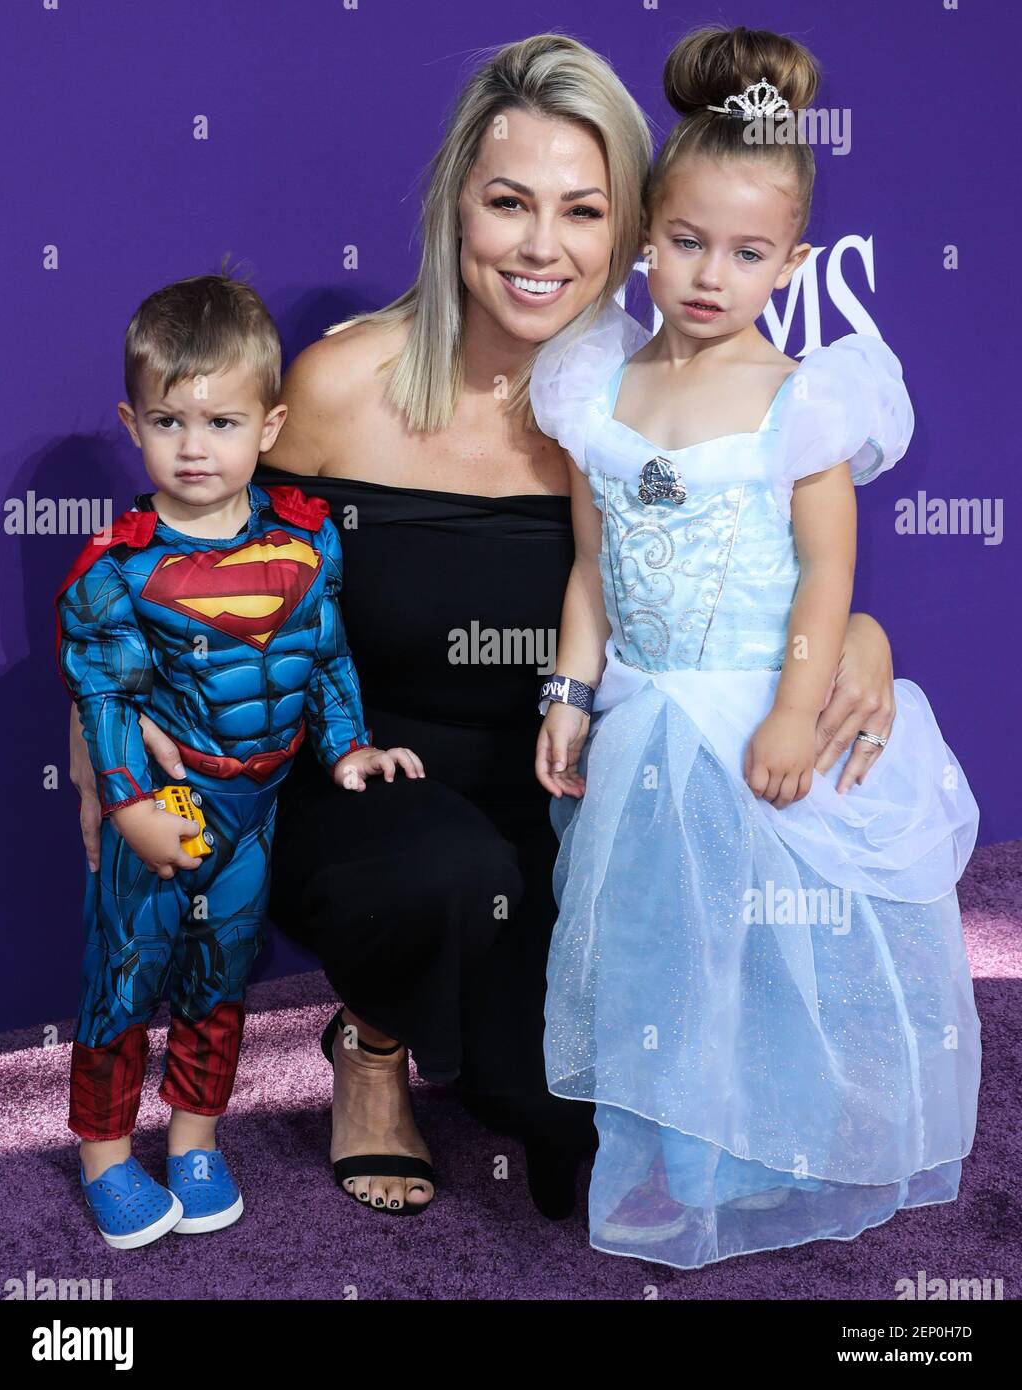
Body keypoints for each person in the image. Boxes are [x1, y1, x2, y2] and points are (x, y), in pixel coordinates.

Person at [69, 34, 902, 1223]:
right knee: (438, 875)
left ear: (632, 229)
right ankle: (370, 1043)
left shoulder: (639, 403)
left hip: (559, 792)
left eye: (581, 210)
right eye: (508, 201)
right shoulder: (343, 383)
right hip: (363, 787)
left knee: (564, 1126)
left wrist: (856, 635)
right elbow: (177, 531)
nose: (539, 246)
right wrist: (104, 724)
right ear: (456, 201)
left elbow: (754, 562)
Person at [530, 25, 982, 1268]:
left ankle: (760, 1148)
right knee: (655, 948)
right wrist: (568, 693)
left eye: (744, 253)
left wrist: (793, 708)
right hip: (640, 721)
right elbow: (592, 567)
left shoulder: (802, 400)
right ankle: (676, 1162)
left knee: (767, 945)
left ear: (789, 262)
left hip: (749, 715)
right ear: (644, 238)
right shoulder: (594, 388)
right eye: (684, 243)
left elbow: (827, 573)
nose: (709, 275)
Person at [57, 273, 423, 1248]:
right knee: (126, 979)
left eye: (220, 421)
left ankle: (196, 1139)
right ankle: (102, 1153)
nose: (192, 446)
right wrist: (133, 804)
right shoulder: (115, 569)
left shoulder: (306, 541)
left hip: (258, 809)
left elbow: (327, 657)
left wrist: (348, 749)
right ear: (132, 423)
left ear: (269, 426)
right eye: (168, 420)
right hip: (169, 807)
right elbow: (109, 702)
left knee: (220, 982)